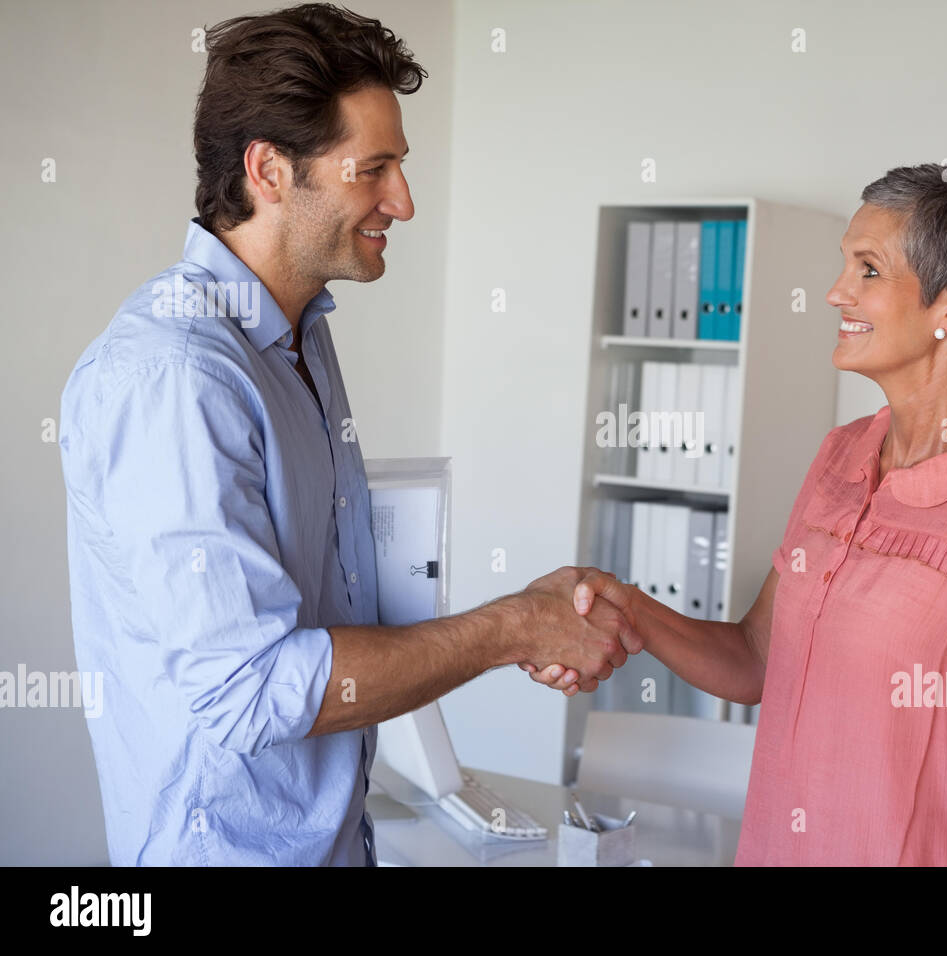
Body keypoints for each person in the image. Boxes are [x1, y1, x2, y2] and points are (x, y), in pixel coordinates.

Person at [57, 3, 639, 867]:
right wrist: (513, 629)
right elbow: (250, 689)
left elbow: (327, 615)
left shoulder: (302, 331)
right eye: (375, 170)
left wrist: (537, 618)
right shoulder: (174, 376)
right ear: (269, 171)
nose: (402, 201)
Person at [527, 163, 947, 866]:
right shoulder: (842, 456)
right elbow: (757, 660)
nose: (837, 292)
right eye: (845, 265)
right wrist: (626, 608)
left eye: (868, 269)